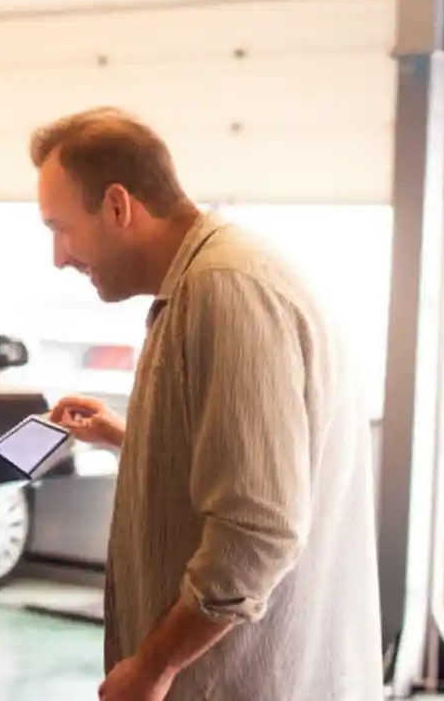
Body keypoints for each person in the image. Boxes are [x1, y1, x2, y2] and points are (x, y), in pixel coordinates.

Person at [33, 108, 383, 701]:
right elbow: (251, 464)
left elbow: (259, 528)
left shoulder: (224, 289)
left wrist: (153, 667)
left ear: (118, 206)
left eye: (61, 228)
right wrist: (133, 438)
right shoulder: (209, 278)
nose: (59, 257)